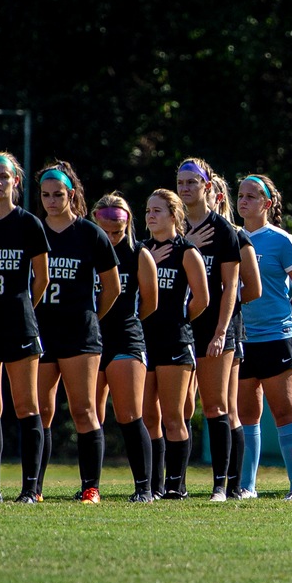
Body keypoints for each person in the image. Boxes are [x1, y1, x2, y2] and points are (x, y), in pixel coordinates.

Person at [175, 159, 262, 502]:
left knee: (218, 407)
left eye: (192, 182)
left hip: (217, 329)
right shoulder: (175, 227)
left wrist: (222, 331)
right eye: (180, 182)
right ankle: (174, 484)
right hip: (181, 328)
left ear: (207, 187)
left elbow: (235, 288)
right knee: (180, 408)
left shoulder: (226, 231)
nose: (185, 188)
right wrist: (186, 244)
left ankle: (224, 486)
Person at [35, 163, 121, 503]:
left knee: (84, 410)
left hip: (79, 334)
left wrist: (91, 316)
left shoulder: (89, 233)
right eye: (46, 195)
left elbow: (112, 287)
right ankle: (33, 488)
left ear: (71, 194)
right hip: (41, 332)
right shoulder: (34, 229)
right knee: (40, 411)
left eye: (58, 194)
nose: (52, 201)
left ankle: (90, 487)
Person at [0, 152, 50, 503]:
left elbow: (42, 279)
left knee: (26, 406)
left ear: (15, 181)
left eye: (4, 176)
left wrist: (23, 309)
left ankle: (30, 488)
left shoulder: (29, 223)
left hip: (19, 324)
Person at [234, 174, 292, 501]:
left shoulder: (282, 241)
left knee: (284, 413)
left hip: (277, 337)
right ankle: (246, 487)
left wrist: (285, 318)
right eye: (241, 195)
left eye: (251, 196)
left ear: (267, 203)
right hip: (241, 338)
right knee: (246, 415)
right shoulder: (231, 237)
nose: (243, 201)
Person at [141, 188, 210, 498]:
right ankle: (152, 485)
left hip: (175, 342)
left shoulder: (186, 251)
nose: (150, 216)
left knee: (173, 416)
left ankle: (175, 485)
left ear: (173, 215)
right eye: (147, 211)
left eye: (157, 210)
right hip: (143, 342)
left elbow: (202, 299)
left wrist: (177, 320)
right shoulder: (141, 250)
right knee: (147, 417)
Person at [93, 194, 159, 502]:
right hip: (91, 339)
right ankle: (90, 487)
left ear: (127, 224)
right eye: (105, 231)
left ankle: (144, 488)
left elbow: (150, 301)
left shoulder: (138, 253)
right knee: (90, 415)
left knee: (129, 414)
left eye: (117, 232)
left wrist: (124, 320)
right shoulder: (87, 249)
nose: (111, 237)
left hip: (125, 338)